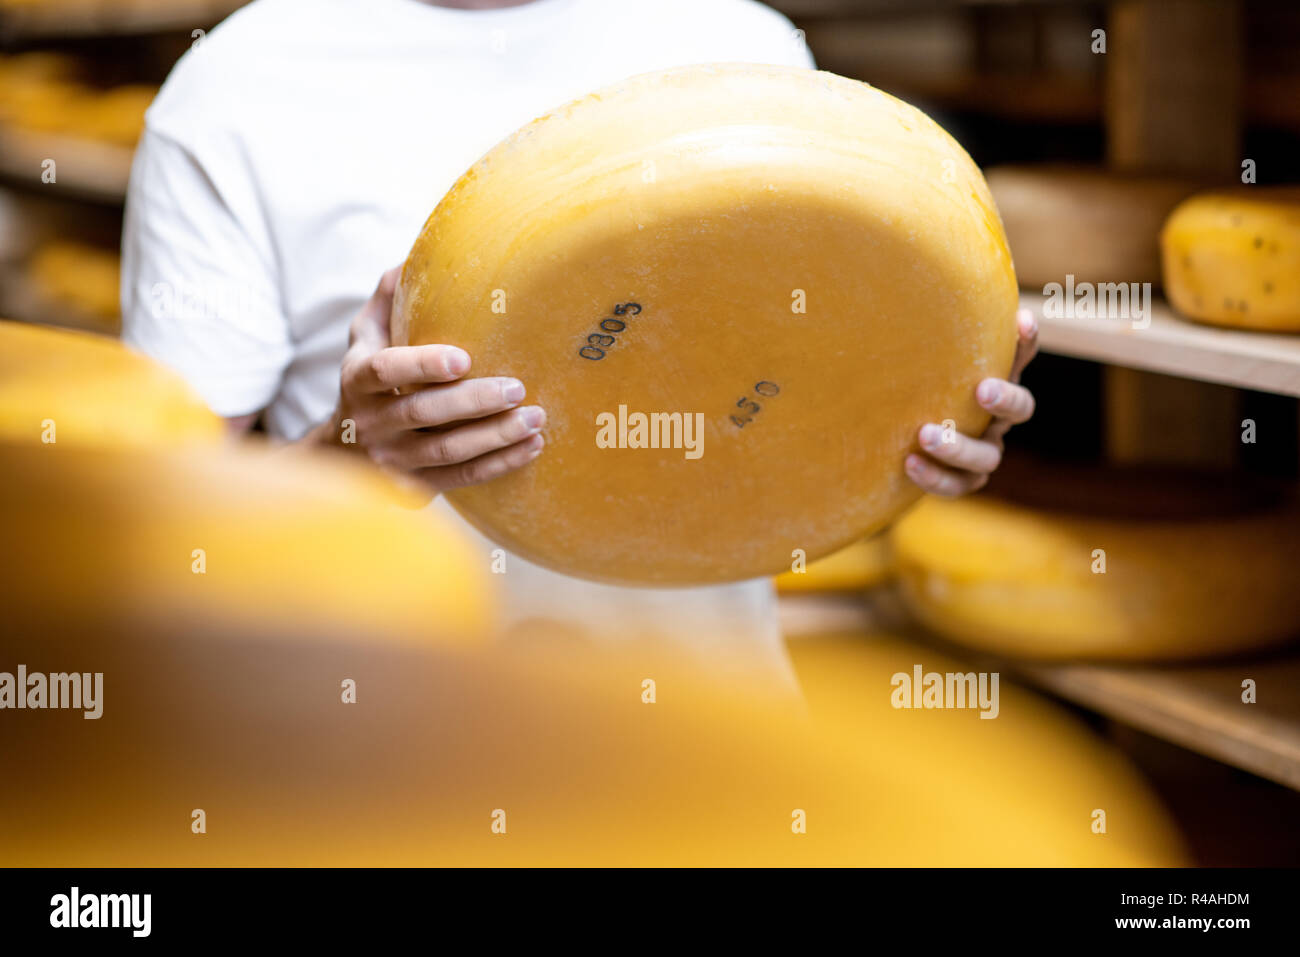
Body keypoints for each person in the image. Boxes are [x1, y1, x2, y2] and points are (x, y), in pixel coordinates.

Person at [122, 0, 1037, 691]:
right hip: (375, 759)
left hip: (710, 750)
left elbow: (770, 410)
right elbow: (156, 541)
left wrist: (921, 418)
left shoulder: (743, 42)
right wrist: (356, 456)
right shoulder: (238, 85)